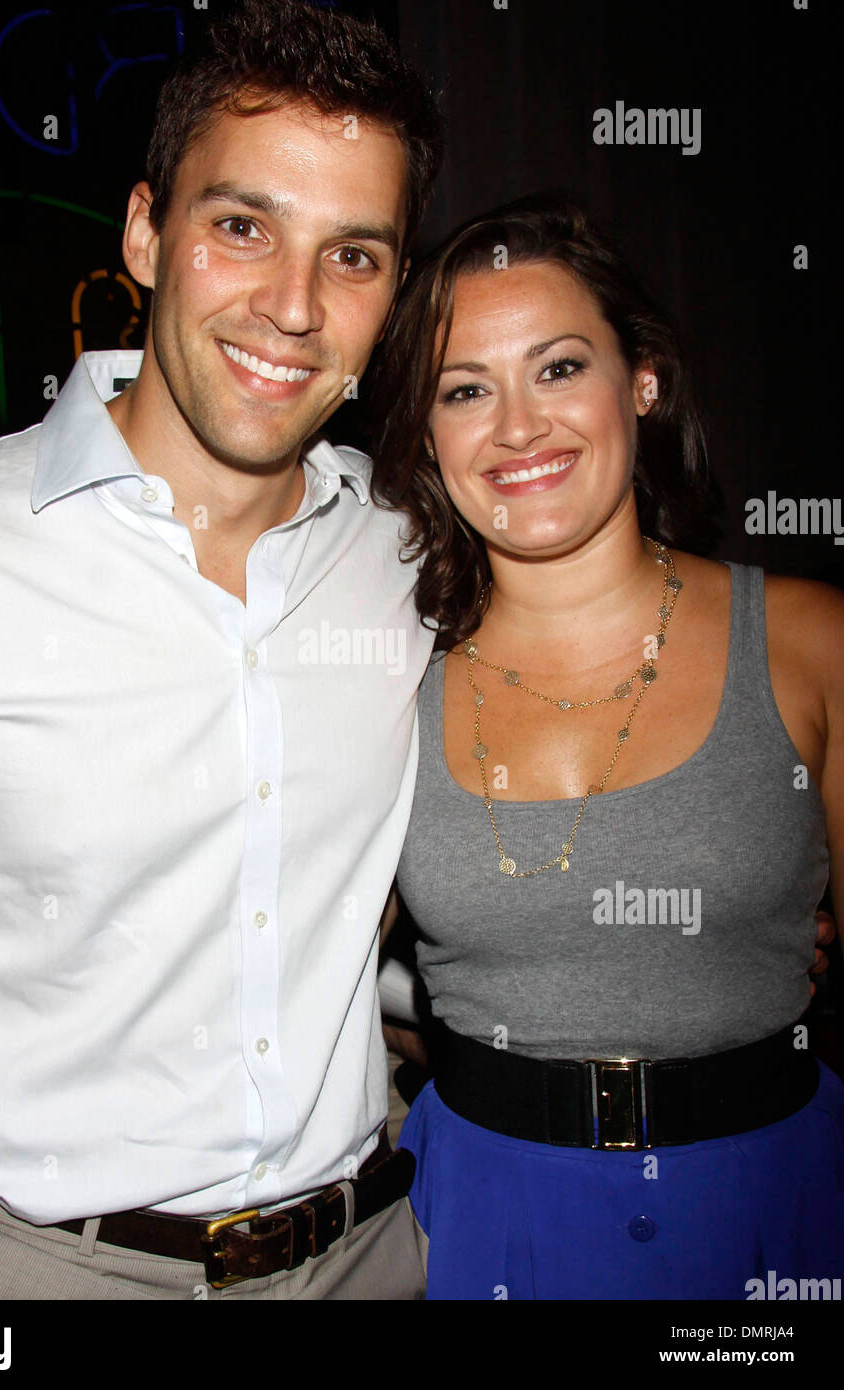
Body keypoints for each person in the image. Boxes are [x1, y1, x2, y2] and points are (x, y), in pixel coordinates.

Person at [0, 0, 444, 1299]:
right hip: (32, 1271)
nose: (291, 307)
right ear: (144, 233)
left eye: (353, 256)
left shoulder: (417, 560)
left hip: (365, 1257)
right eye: (243, 227)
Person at [370, 194, 844, 1300]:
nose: (518, 427)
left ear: (642, 380)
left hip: (775, 1214)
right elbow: (289, 960)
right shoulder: (384, 678)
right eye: (465, 389)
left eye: (559, 367)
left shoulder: (813, 643)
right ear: (429, 437)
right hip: (486, 1215)